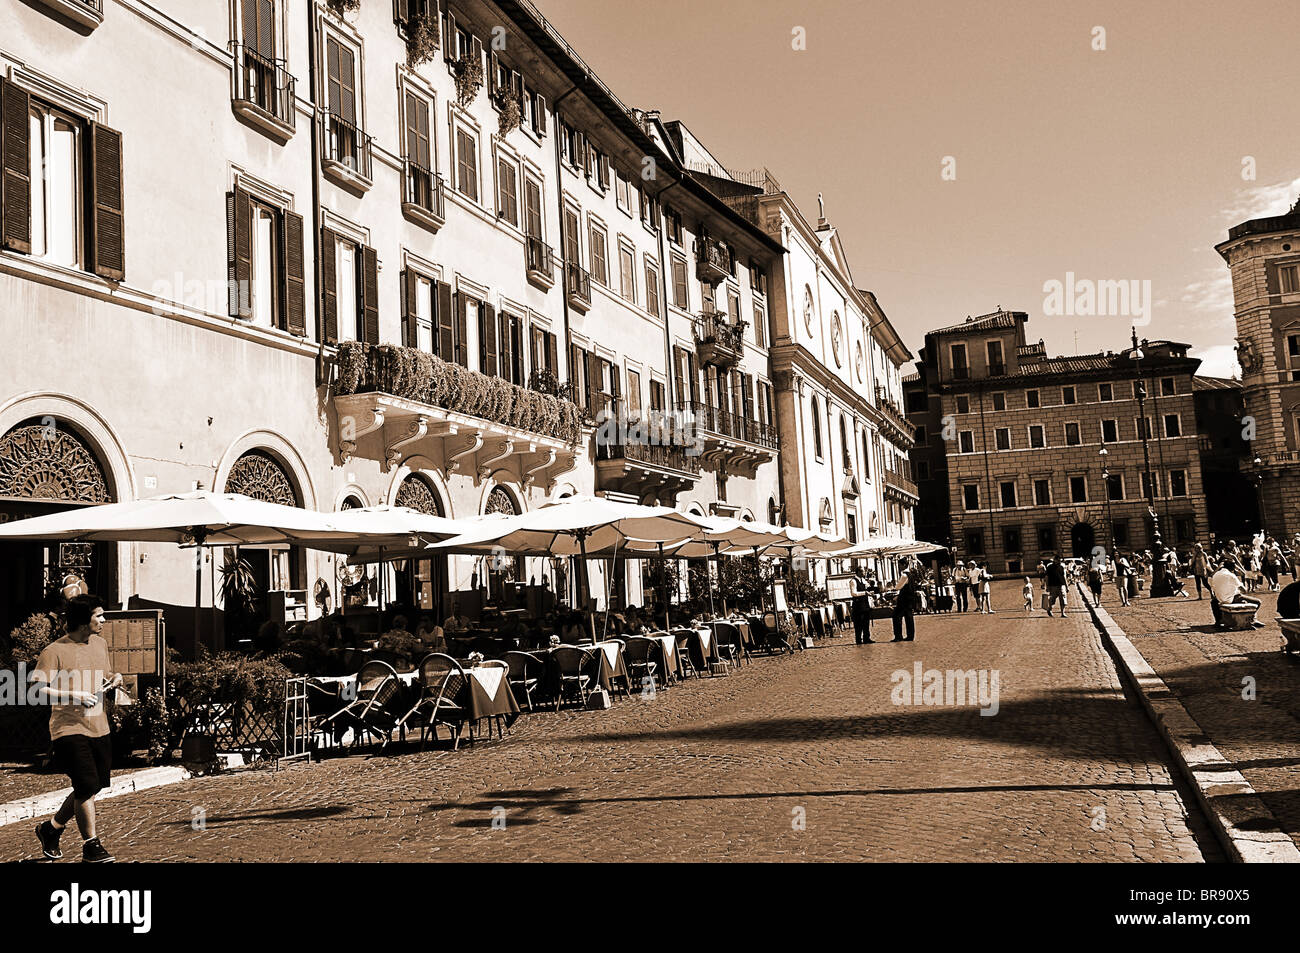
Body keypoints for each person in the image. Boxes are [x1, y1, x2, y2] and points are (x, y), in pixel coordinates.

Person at [32, 595, 121, 863]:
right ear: (84, 621)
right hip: (68, 729)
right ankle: (91, 846)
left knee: (92, 787)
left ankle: (51, 829)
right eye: (99, 615)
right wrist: (75, 696)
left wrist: (114, 679)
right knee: (85, 786)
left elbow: (105, 674)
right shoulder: (54, 651)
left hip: (99, 726)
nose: (104, 620)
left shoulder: (100, 644)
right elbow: (37, 690)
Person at [1209, 561, 1261, 628]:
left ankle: (1219, 621)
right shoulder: (1231, 575)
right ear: (1233, 568)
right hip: (1231, 598)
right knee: (1258, 602)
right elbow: (1244, 590)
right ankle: (1253, 619)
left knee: (1214, 601)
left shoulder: (1215, 575)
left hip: (1219, 599)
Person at [891, 571, 918, 642]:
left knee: (896, 616)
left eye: (900, 564)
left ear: (903, 565)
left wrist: (893, 588)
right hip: (909, 599)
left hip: (904, 599)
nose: (899, 567)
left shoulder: (904, 575)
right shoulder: (911, 575)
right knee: (909, 617)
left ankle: (898, 636)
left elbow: (898, 587)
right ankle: (910, 636)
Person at [852, 568, 874, 645]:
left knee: (866, 622)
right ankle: (858, 639)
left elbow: (867, 588)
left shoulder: (863, 580)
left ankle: (866, 638)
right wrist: (864, 593)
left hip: (865, 604)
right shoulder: (853, 581)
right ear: (858, 572)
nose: (864, 572)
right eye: (862, 571)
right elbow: (853, 593)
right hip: (858, 605)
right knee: (858, 623)